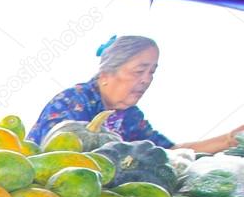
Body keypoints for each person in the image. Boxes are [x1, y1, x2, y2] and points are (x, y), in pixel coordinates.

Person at [28, 35, 243, 153]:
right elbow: (56, 155)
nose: (146, 79)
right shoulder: (73, 101)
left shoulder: (130, 116)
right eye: (139, 71)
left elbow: (170, 152)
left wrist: (229, 140)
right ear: (106, 74)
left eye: (152, 72)